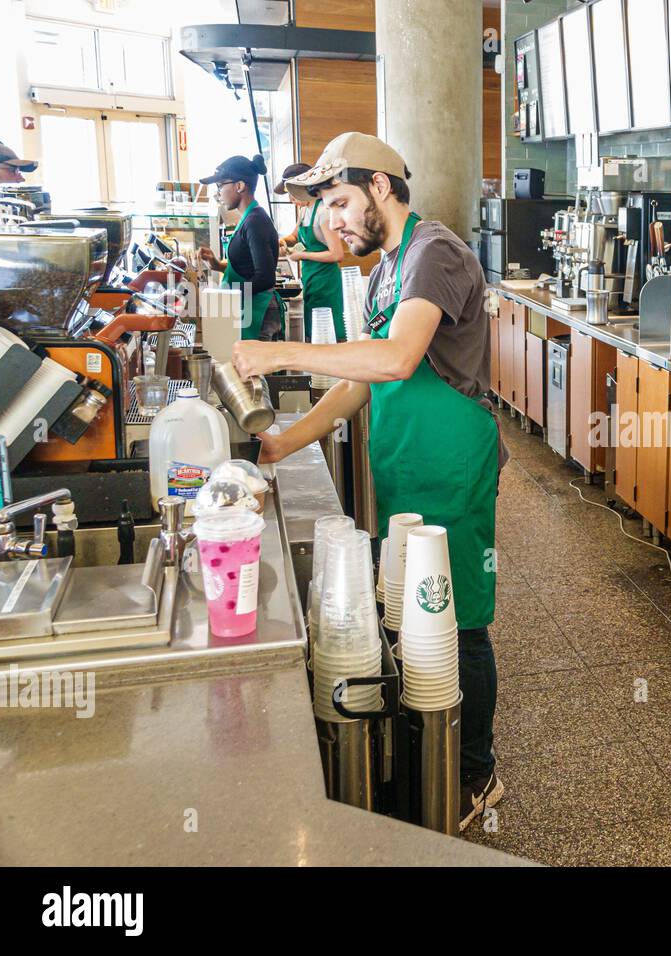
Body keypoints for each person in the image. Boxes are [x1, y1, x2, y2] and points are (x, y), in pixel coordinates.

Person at [230, 132, 504, 829]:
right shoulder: (386, 266)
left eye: (344, 202)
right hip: (408, 464)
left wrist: (278, 351)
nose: (336, 222)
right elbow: (362, 378)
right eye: (328, 210)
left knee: (460, 622)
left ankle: (475, 774)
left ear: (382, 186)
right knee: (417, 618)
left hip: (452, 463)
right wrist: (283, 443)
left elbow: (398, 356)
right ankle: (427, 752)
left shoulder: (433, 252)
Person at [196, 154, 282, 340]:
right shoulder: (248, 218)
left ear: (240, 186)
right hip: (248, 308)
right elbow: (247, 265)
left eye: (220, 186)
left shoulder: (254, 221)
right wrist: (217, 264)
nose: (218, 193)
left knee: (253, 369)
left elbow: (265, 278)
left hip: (258, 311)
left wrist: (225, 297)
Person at [276, 162, 349, 341]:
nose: (290, 199)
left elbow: (337, 254)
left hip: (326, 283)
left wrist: (301, 255)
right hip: (311, 280)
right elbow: (294, 236)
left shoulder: (323, 212)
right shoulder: (304, 211)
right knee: (314, 333)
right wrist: (281, 242)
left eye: (291, 193)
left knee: (329, 334)